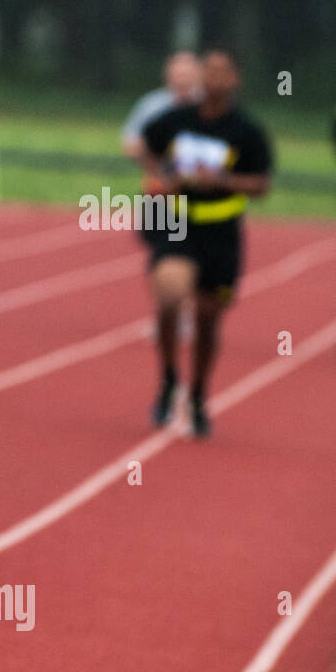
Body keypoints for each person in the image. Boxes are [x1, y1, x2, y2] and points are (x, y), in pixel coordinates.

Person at [138, 48, 272, 438]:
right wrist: (162, 178)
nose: (213, 80)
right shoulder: (176, 119)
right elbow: (146, 147)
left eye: (222, 73)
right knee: (169, 295)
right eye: (207, 72)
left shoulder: (246, 131)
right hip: (177, 223)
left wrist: (223, 182)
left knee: (208, 319)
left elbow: (261, 185)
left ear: (235, 79)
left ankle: (197, 394)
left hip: (221, 231)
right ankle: (167, 378)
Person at [120, 51, 203, 162]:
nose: (183, 80)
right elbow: (130, 143)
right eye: (179, 75)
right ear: (167, 75)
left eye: (188, 75)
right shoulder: (152, 106)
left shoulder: (210, 106)